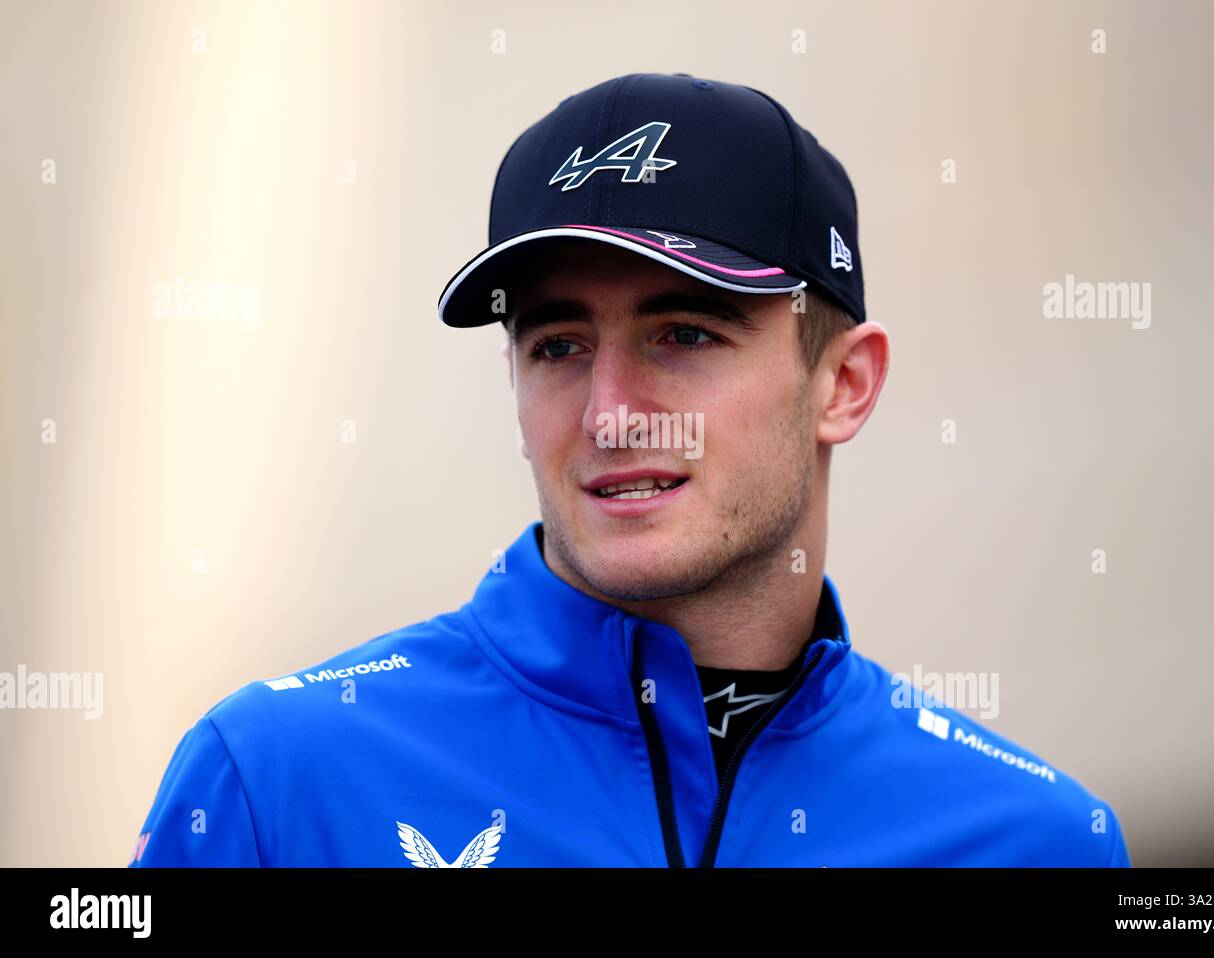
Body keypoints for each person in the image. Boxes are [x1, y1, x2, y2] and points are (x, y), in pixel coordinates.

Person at [128, 72, 1130, 867]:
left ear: (844, 384)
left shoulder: (1032, 841)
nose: (608, 415)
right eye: (557, 345)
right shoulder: (278, 777)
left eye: (684, 333)